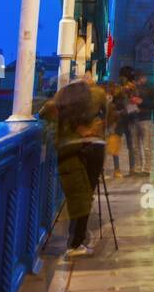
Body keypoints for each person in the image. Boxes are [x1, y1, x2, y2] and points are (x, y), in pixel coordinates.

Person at [41, 76, 107, 258]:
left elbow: (43, 113)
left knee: (79, 197)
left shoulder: (60, 107)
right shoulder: (87, 104)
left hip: (71, 153)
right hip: (89, 150)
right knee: (84, 197)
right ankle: (75, 242)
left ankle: (76, 239)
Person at [134, 71, 154, 175]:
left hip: (146, 119)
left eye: (139, 79)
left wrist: (142, 102)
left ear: (143, 77)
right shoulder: (134, 88)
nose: (138, 82)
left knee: (147, 146)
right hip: (134, 119)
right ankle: (137, 168)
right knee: (135, 147)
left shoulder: (151, 87)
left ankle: (147, 169)